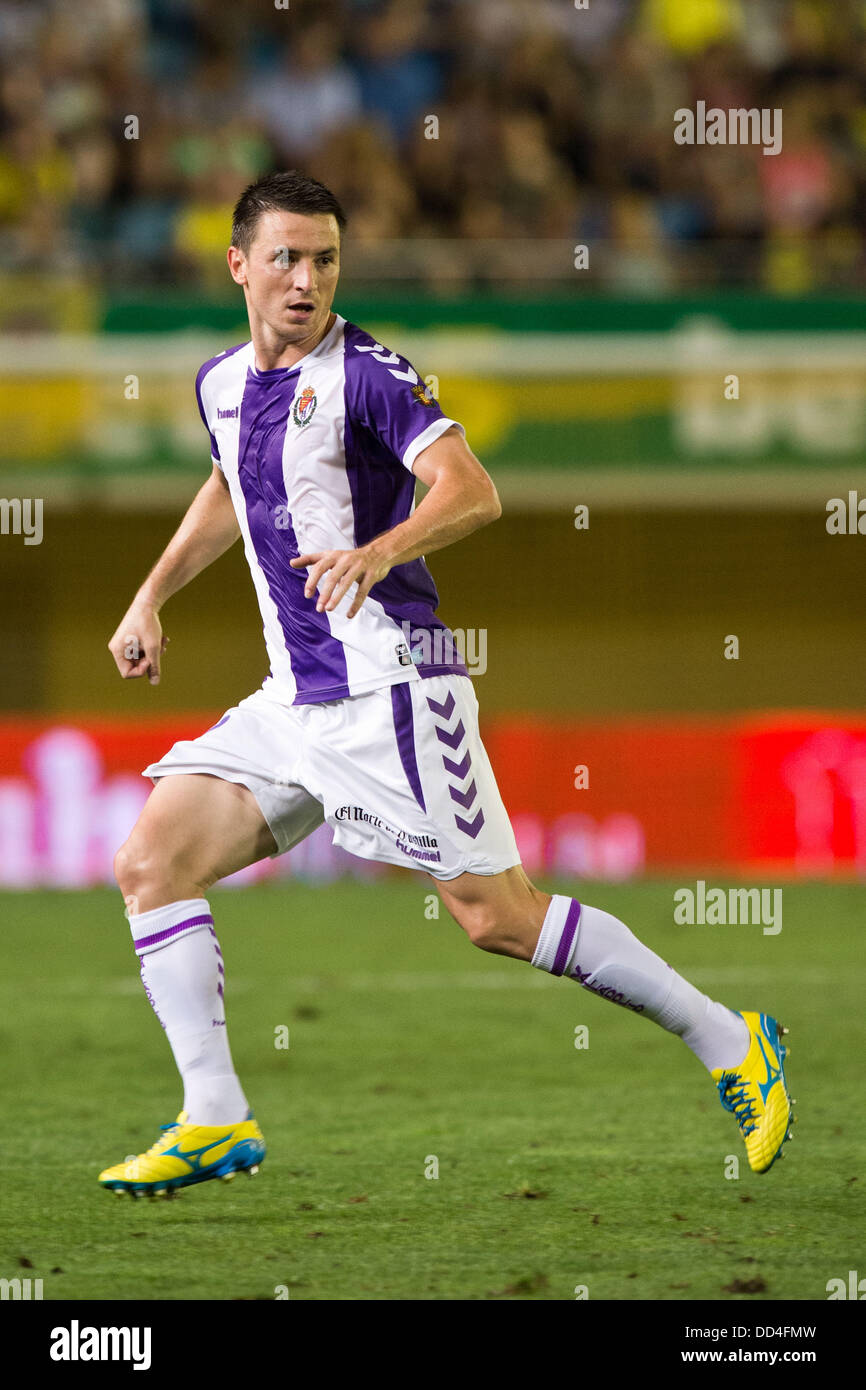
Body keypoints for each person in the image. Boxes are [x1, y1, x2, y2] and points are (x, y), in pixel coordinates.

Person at [100, 171, 793, 1197]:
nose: (306, 281)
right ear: (238, 264)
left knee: (496, 917)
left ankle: (732, 1040)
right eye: (285, 258)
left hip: (394, 690)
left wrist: (379, 550)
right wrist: (149, 594)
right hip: (294, 702)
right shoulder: (219, 384)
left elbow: (472, 488)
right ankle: (214, 1116)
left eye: (325, 259)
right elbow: (228, 485)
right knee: (151, 862)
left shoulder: (369, 374)